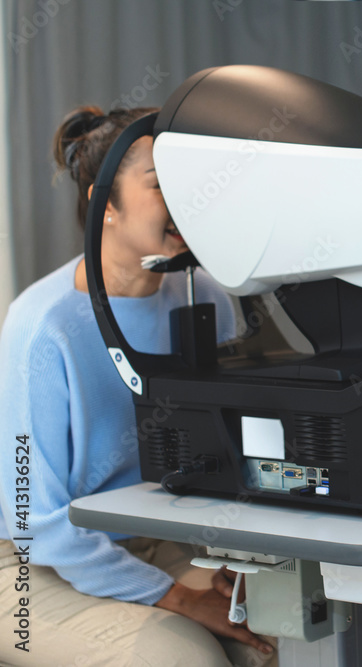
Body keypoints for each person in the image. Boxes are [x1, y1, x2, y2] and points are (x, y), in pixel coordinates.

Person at [0, 106, 276, 666]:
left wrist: (232, 559)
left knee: (281, 635)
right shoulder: (42, 327)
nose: (187, 200)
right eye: (160, 183)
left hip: (159, 537)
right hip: (35, 563)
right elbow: (35, 522)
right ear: (105, 204)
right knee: (185, 662)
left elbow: (222, 455)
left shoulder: (205, 298)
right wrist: (181, 600)